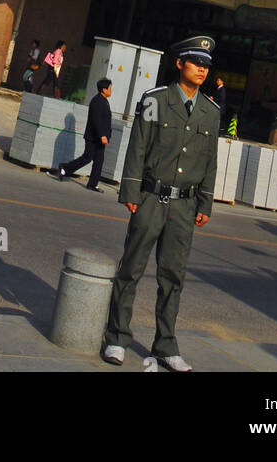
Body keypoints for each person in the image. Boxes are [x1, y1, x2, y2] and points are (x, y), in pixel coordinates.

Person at [102, 35, 219, 372]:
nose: (202, 69)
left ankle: (166, 345)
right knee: (131, 268)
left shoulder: (211, 112)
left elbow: (210, 160)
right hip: (152, 198)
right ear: (179, 63)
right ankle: (117, 337)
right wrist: (131, 192)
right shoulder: (155, 100)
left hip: (185, 205)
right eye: (196, 62)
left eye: (207, 65)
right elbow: (138, 147)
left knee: (173, 276)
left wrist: (205, 204)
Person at [50, 77, 112, 192]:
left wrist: (107, 135)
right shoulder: (97, 101)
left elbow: (106, 120)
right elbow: (96, 120)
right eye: (109, 88)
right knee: (87, 158)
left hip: (99, 138)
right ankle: (65, 167)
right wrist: (102, 135)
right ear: (104, 89)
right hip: (94, 137)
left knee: (98, 161)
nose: (111, 90)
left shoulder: (104, 101)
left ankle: (92, 184)